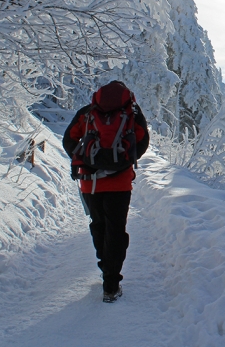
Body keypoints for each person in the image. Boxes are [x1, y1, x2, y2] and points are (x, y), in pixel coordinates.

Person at [62, 80, 149, 303]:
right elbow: (142, 141)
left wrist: (88, 160)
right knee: (116, 230)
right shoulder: (132, 113)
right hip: (120, 183)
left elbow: (69, 140)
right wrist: (122, 162)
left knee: (98, 225)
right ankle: (111, 283)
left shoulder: (88, 112)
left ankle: (105, 267)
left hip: (90, 182)